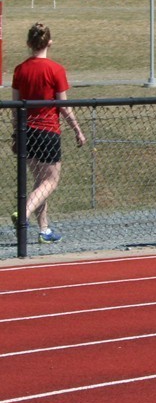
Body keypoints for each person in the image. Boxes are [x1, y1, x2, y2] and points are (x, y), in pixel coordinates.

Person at [10, 23, 85, 244]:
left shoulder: (20, 69)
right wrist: (77, 130)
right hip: (47, 131)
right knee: (51, 182)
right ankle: (22, 213)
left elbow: (16, 107)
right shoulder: (55, 69)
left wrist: (16, 134)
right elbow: (64, 106)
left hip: (27, 131)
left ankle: (44, 229)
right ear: (49, 43)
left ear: (28, 43)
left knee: (40, 183)